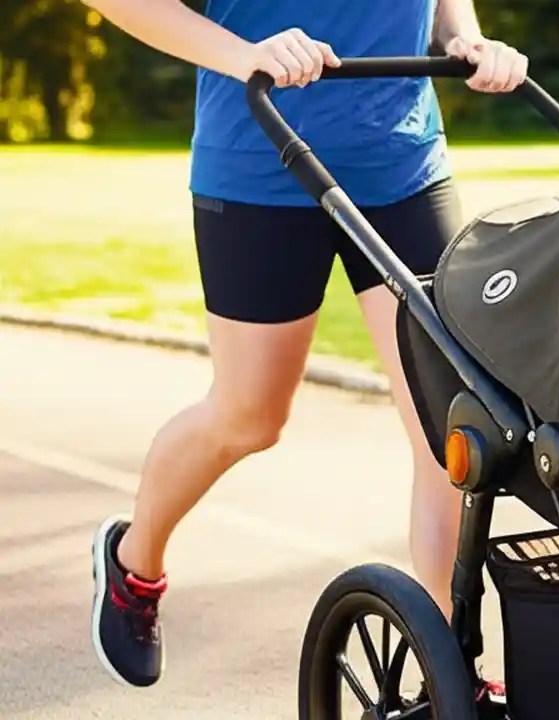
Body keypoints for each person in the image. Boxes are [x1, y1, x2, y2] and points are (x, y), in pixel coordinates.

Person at [83, 0, 527, 694]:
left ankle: (451, 672)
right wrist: (243, 53)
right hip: (260, 159)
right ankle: (133, 566)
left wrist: (463, 38)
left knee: (449, 428)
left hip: (404, 164)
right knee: (249, 416)